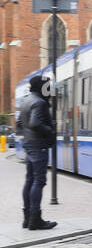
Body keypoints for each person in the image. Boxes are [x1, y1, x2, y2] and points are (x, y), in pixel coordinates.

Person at [17, 75, 58, 231]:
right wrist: (50, 130)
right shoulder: (39, 102)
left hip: (28, 144)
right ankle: (35, 219)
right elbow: (36, 123)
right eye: (47, 86)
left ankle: (27, 219)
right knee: (38, 181)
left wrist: (27, 135)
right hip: (38, 145)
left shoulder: (26, 101)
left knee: (30, 180)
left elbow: (20, 123)